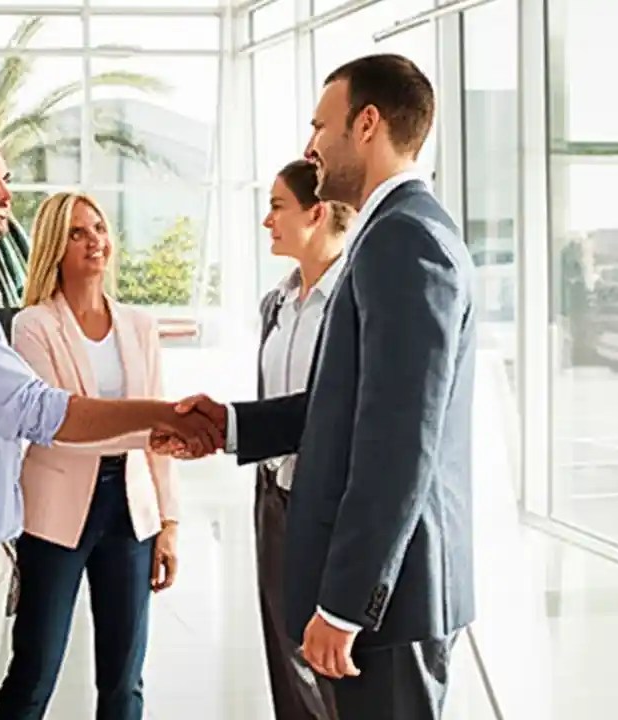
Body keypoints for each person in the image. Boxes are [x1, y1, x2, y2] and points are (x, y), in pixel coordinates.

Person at [155, 53, 476, 720]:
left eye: (319, 125)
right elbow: (350, 405)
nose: (310, 146)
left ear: (366, 124)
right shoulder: (389, 234)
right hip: (390, 595)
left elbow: (398, 443)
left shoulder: (403, 239)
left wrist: (347, 603)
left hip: (391, 600)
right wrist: (233, 425)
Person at [0, 128, 221, 720]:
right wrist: (164, 416)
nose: (6, 192)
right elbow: (36, 411)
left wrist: (166, 508)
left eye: (5, 178)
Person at [0, 192, 180, 720]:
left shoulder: (140, 326)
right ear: (54, 246)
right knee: (36, 668)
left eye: (98, 228)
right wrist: (147, 427)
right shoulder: (33, 326)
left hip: (130, 508)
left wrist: (168, 521)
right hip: (55, 515)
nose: (95, 240)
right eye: (77, 232)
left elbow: (159, 435)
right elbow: (58, 426)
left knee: (124, 678)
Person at [251, 159, 355, 719]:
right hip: (275, 497)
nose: (267, 220)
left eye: (277, 206)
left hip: (329, 506)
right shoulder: (276, 304)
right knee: (284, 652)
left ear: (315, 213)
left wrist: (229, 427)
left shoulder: (353, 302)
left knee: (332, 661)